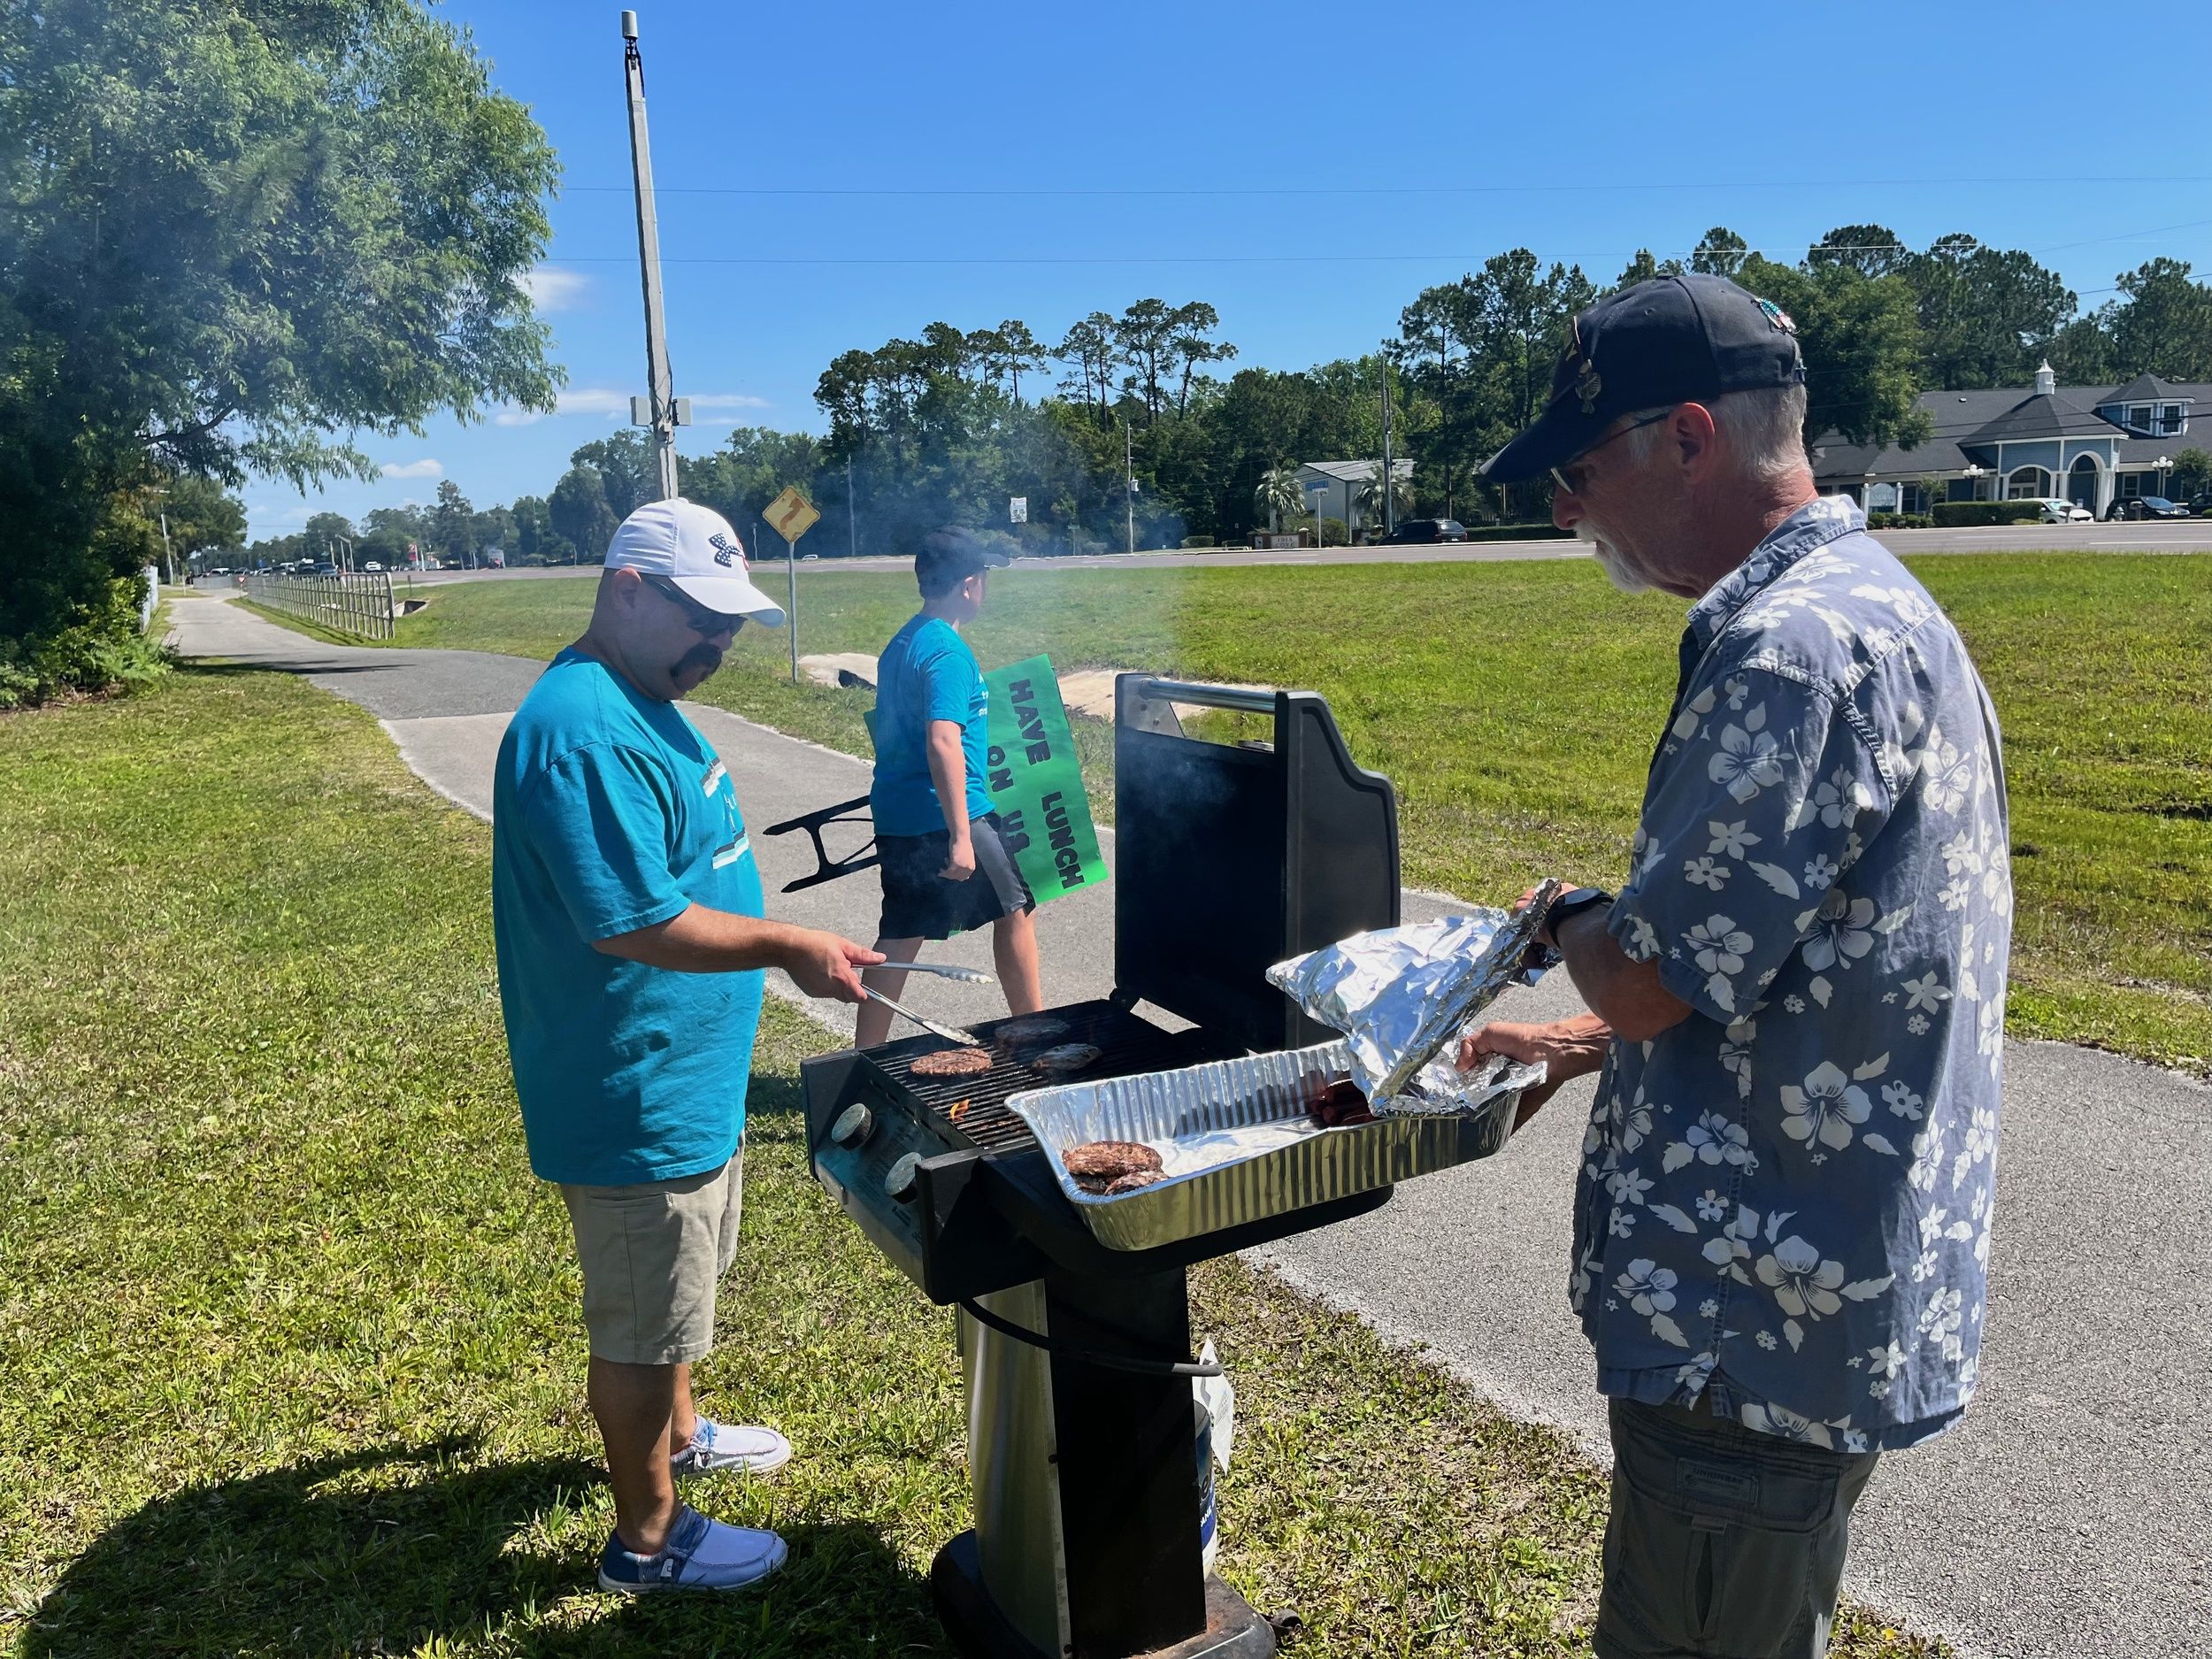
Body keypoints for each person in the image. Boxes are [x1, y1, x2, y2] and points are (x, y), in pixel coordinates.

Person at [1464, 273, 2013, 1659]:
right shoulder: (1885, 610)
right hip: (1806, 1314)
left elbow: (1652, 975)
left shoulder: (1787, 654)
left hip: (1742, 1343)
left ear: (1691, 436)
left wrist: (1566, 917)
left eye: (1583, 469)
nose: (1566, 507)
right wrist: (1579, 1045)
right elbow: (1819, 974)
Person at [490, 497, 882, 1594]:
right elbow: (631, 920)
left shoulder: (640, 690)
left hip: (686, 1076)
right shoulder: (580, 729)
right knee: (639, 1320)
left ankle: (686, 1430)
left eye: (732, 622)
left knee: (678, 1299)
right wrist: (788, 942)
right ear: (625, 588)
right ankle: (647, 1541)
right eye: (701, 619)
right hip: (631, 1088)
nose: (720, 643)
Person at [852, 526, 1044, 1049]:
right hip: (950, 814)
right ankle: (1036, 1032)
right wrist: (961, 835)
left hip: (899, 812)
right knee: (1016, 911)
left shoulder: (903, 642)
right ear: (968, 584)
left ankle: (864, 1056)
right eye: (983, 577)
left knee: (899, 936)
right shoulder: (948, 652)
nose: (985, 587)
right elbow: (942, 740)